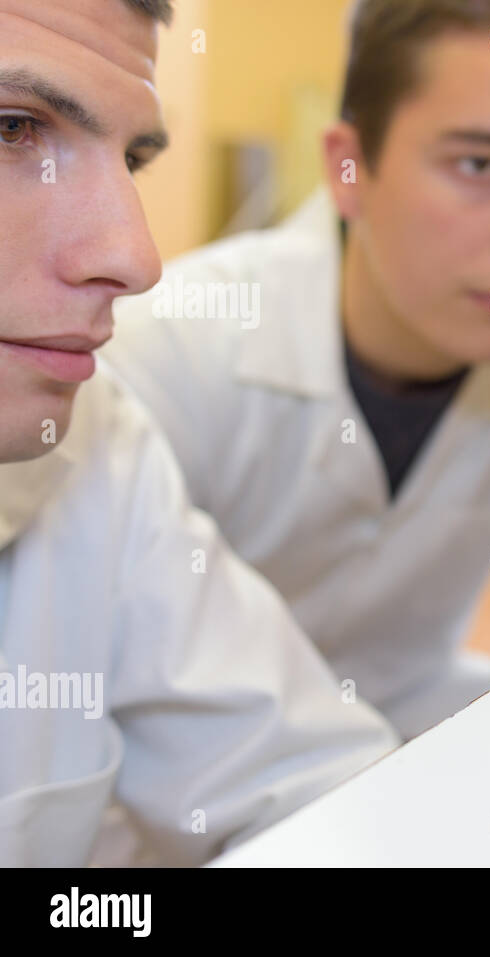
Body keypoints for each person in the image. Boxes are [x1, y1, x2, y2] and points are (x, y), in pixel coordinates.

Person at [103, 0, 490, 740]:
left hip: (401, 731)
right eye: (480, 165)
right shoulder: (168, 351)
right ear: (348, 168)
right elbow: (135, 690)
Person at [0, 0, 398, 867]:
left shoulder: (94, 444)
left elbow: (312, 784)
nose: (138, 258)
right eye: (12, 128)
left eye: (133, 158)